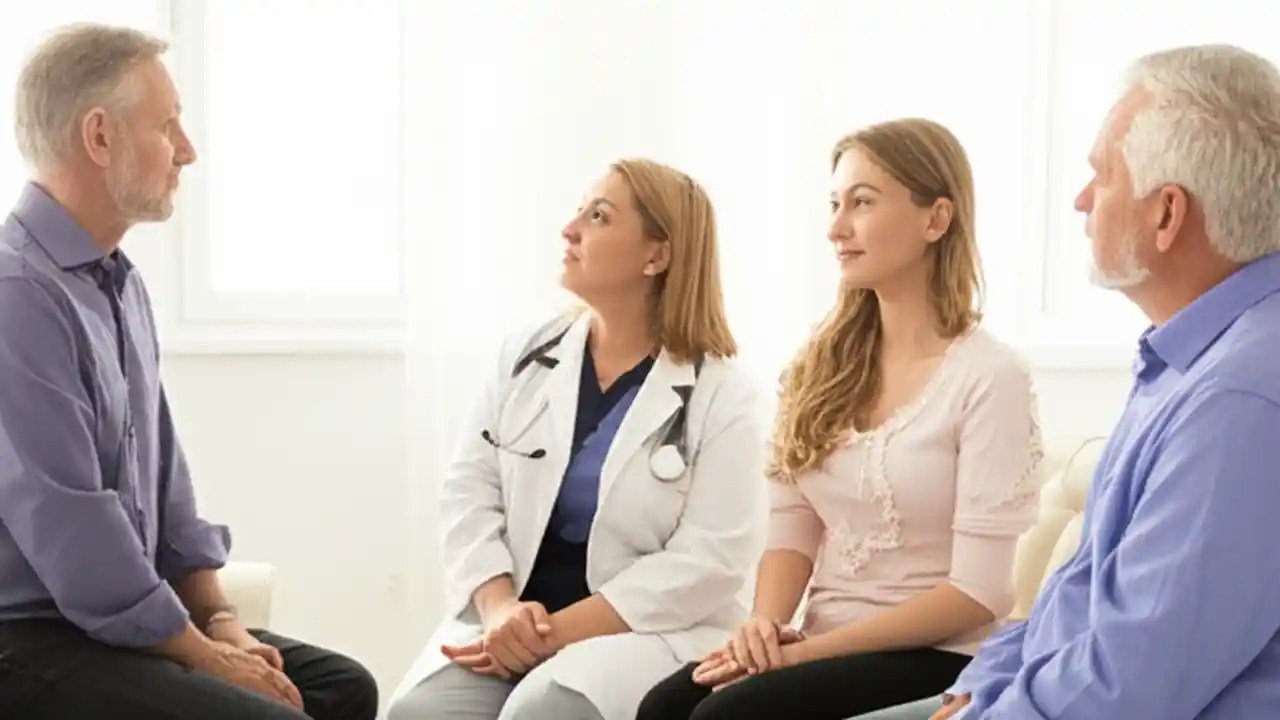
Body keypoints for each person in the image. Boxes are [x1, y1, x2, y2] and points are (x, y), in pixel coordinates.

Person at [865, 43, 1280, 720]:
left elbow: (1131, 685)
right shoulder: (1189, 366)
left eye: (1102, 175)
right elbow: (1076, 598)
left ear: (1167, 214)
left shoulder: (1240, 400)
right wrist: (979, 686)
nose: (1082, 200)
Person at [0, 23, 377, 720]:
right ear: (100, 137)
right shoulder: (17, 294)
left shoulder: (117, 284)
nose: (188, 151)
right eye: (167, 125)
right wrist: (202, 655)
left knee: (340, 689)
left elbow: (166, 484)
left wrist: (222, 620)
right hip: (28, 640)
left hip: (103, 629)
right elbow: (71, 525)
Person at [635, 118, 1044, 720]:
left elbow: (979, 594)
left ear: (936, 219)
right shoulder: (819, 366)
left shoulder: (990, 377)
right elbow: (791, 526)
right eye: (834, 204)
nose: (836, 228)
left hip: (940, 653)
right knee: (665, 707)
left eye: (862, 202)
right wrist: (764, 629)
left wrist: (807, 656)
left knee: (728, 717)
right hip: (824, 643)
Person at [386, 158, 768, 720]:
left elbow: (709, 561)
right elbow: (469, 492)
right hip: (507, 624)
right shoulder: (526, 359)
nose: (571, 229)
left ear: (656, 255)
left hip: (639, 636)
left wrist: (551, 633)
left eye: (599, 216)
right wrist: (498, 613)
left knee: (547, 710)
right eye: (580, 211)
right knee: (421, 714)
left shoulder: (725, 397)